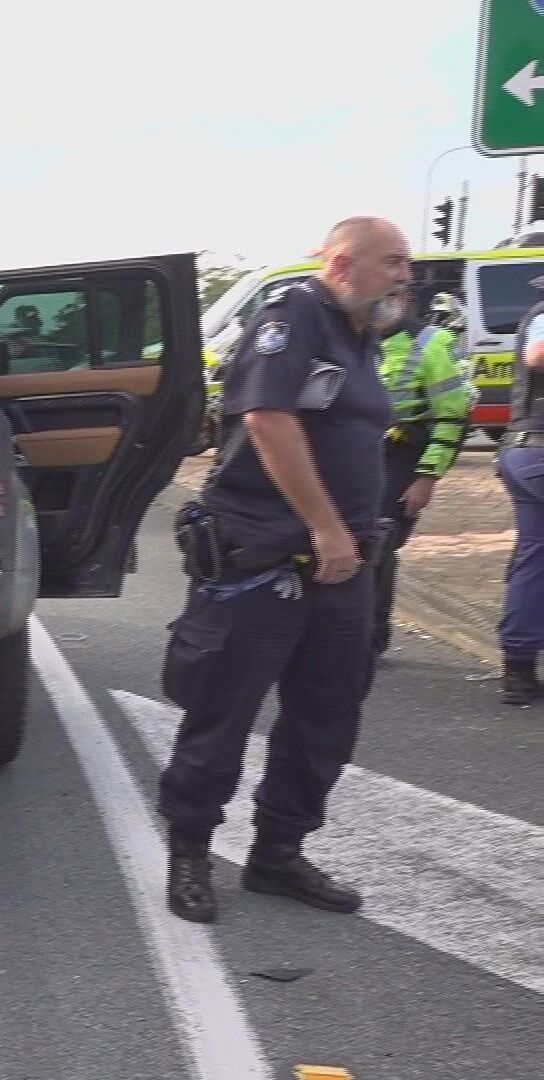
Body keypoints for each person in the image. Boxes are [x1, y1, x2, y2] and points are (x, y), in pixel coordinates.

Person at [158, 216, 408, 924]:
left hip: (346, 566)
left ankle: (277, 856)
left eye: (406, 265)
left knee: (325, 719)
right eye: (392, 261)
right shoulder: (293, 314)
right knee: (222, 715)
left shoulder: (359, 340)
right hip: (265, 559)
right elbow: (267, 419)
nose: (405, 276)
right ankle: (190, 853)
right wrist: (325, 526)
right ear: (341, 263)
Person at [372, 290, 474, 658]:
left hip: (402, 461)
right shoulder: (348, 337)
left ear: (406, 300)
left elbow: (453, 415)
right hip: (352, 457)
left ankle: (370, 640)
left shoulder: (432, 344)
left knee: (377, 547)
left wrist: (427, 477)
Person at [496, 276, 544, 705]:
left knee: (534, 556)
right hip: (538, 453)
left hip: (526, 451)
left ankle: (519, 663)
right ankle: (519, 661)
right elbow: (537, 355)